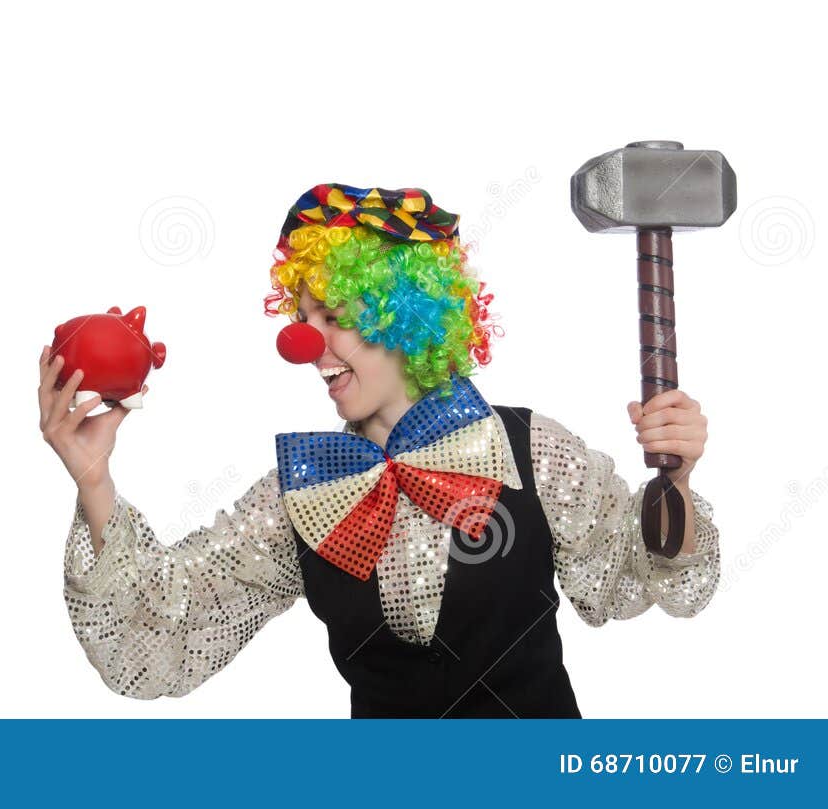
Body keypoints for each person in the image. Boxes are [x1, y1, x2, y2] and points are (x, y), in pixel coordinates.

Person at [37, 183, 719, 717]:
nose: (306, 345)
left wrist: (677, 482)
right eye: (303, 319)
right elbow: (165, 637)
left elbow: (633, 578)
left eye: (333, 318)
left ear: (405, 313)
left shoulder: (531, 449)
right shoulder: (304, 492)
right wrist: (95, 482)